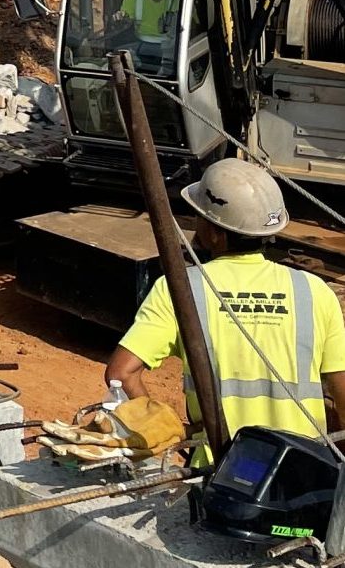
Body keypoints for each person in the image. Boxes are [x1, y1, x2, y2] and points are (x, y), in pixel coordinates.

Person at [105, 159, 345, 456]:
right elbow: (342, 392)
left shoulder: (179, 289)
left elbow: (121, 374)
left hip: (219, 467)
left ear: (216, 233)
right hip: (299, 468)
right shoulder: (315, 291)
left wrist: (163, 428)